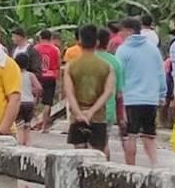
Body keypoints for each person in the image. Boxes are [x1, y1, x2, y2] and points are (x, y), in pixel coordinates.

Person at [116, 16, 166, 166]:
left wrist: (118, 96)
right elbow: (160, 72)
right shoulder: (153, 49)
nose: (120, 34)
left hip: (130, 99)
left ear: (130, 31)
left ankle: (130, 167)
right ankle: (155, 164)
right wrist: (161, 94)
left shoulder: (123, 50)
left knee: (130, 136)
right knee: (149, 135)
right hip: (150, 99)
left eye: (122, 31)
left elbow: (119, 75)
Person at [63, 24, 115, 154]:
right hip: (98, 117)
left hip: (77, 117)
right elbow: (107, 93)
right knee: (97, 156)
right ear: (97, 42)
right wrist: (91, 111)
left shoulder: (71, 66)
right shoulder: (107, 67)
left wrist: (79, 113)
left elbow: (69, 93)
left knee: (79, 155)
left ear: (80, 42)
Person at [94, 24, 125, 161]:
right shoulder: (116, 62)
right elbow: (119, 94)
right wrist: (121, 116)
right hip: (108, 111)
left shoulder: (84, 60)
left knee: (87, 148)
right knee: (103, 143)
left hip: (86, 110)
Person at [33, 29, 60, 131]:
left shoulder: (35, 48)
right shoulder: (55, 49)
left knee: (35, 99)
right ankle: (44, 127)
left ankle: (32, 121)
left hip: (38, 76)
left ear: (40, 37)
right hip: (50, 76)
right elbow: (58, 65)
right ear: (51, 38)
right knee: (47, 103)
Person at [14, 52, 41, 146]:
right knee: (27, 126)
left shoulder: (14, 75)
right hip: (29, 102)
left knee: (19, 126)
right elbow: (39, 88)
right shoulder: (30, 75)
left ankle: (20, 144)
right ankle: (28, 144)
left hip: (18, 102)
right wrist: (35, 97)